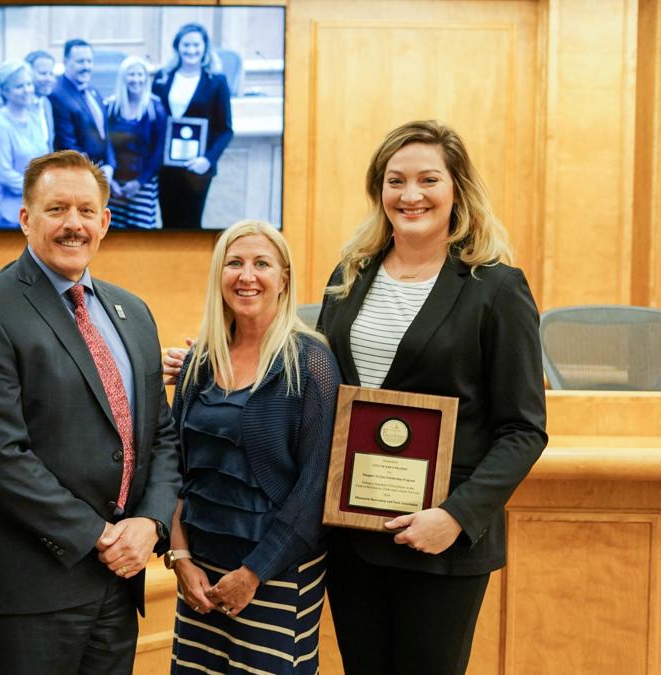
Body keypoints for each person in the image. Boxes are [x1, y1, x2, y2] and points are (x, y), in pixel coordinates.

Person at [317, 120, 547, 675]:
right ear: (380, 190)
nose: (410, 195)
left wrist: (454, 517)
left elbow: (523, 429)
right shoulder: (351, 276)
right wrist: (216, 360)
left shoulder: (496, 287)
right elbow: (320, 382)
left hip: (440, 542)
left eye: (428, 180)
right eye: (396, 180)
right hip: (354, 536)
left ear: (456, 189)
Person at [0, 150, 181, 675]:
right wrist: (99, 535)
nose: (72, 224)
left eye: (85, 210)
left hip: (119, 584)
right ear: (26, 218)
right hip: (33, 590)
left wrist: (149, 523)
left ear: (105, 221)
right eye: (56, 209)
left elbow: (160, 436)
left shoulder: (133, 311)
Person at [167, 220, 340, 674]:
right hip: (199, 580)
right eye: (235, 263)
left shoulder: (310, 361)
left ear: (283, 278)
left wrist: (253, 573)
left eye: (262, 264)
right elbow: (175, 468)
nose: (247, 276)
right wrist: (181, 559)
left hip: (276, 575)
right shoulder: (200, 360)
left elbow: (317, 483)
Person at [153, 23, 234, 229]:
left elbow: (225, 129)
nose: (191, 50)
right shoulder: (163, 78)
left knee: (191, 224)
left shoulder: (216, 81)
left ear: (205, 47)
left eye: (196, 45)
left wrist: (207, 160)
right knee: (168, 224)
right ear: (177, 47)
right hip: (166, 168)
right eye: (186, 45)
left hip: (198, 168)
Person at [0, 60, 51, 229]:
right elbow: (4, 174)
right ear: (5, 91)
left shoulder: (34, 117)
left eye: (29, 84)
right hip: (6, 214)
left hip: (33, 207)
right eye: (19, 86)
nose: (27, 90)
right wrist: (40, 190)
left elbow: (45, 157)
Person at [105, 55, 166, 230]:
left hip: (143, 184)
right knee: (113, 235)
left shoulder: (155, 108)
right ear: (123, 77)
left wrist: (139, 182)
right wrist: (110, 182)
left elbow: (159, 152)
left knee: (141, 236)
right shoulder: (110, 107)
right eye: (131, 75)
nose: (136, 79)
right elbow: (104, 145)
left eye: (140, 75)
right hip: (113, 184)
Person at [49, 39, 115, 178]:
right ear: (65, 62)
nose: (86, 66)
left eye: (89, 61)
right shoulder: (57, 95)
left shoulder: (93, 91)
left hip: (99, 173)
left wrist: (110, 165)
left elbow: (104, 133)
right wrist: (94, 173)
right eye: (80, 62)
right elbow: (67, 144)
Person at [25, 49, 57, 144]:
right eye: (43, 73)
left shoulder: (46, 103)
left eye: (51, 74)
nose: (49, 79)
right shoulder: (17, 105)